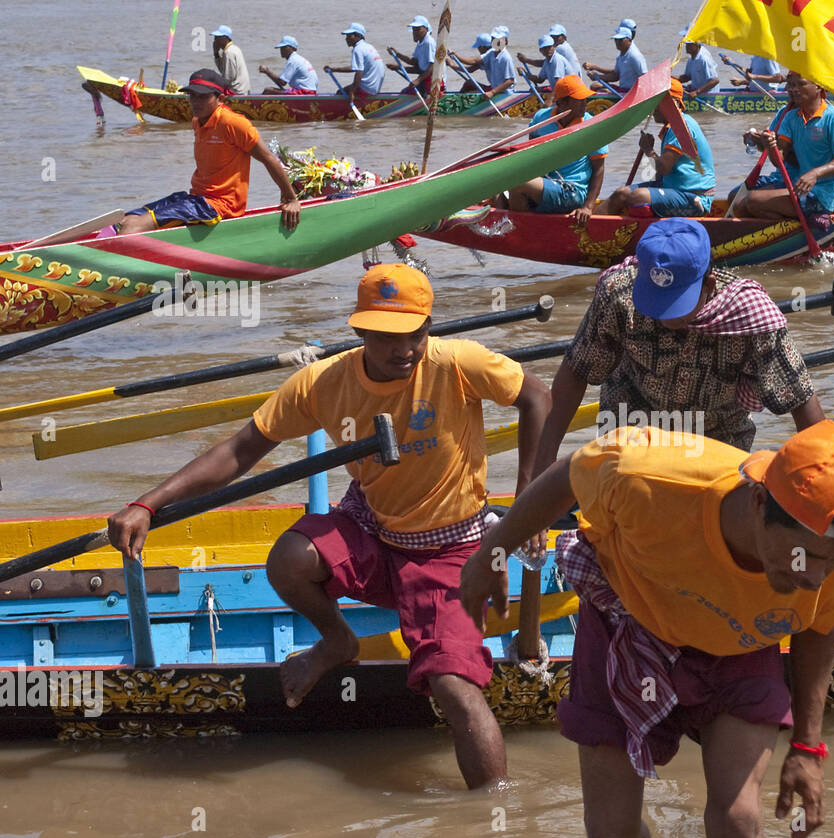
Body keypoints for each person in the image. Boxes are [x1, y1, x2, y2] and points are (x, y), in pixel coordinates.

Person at [107, 265, 550, 790]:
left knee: (455, 688)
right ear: (360, 330)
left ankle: (494, 818)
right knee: (289, 559)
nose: (404, 349)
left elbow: (537, 397)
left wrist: (525, 505)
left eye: (415, 333)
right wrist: (149, 504)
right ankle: (337, 640)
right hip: (375, 529)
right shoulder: (324, 383)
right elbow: (240, 450)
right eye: (387, 336)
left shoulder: (458, 362)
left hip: (452, 549)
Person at [460, 416, 834, 838]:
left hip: (739, 646)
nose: (815, 578)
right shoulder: (644, 478)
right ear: (760, 501)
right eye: (805, 556)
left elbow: (820, 630)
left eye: (832, 562)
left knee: (739, 826)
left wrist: (808, 748)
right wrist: (492, 551)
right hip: (628, 626)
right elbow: (570, 474)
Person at [534, 218, 827, 469]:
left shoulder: (750, 315)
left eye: (675, 304)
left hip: (715, 437)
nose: (663, 315)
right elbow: (576, 372)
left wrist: (823, 481)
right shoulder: (617, 292)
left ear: (708, 285)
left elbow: (799, 398)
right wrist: (537, 476)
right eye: (655, 301)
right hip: (632, 426)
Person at [113, 70, 300, 235]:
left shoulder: (234, 123)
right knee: (125, 219)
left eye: (203, 97)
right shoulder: (197, 121)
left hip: (220, 206)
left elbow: (268, 158)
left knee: (134, 226)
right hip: (197, 199)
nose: (195, 101)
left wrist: (291, 198)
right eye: (192, 95)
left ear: (220, 99)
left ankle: (118, 267)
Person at [730, 71, 834, 225]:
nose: (793, 89)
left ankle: (802, 225)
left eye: (800, 84)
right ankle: (781, 235)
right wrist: (770, 145)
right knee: (738, 204)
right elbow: (779, 160)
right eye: (791, 84)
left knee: (752, 200)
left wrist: (815, 174)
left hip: (820, 195)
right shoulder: (791, 117)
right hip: (797, 187)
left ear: (819, 87)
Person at [493, 75, 606, 222]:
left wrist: (588, 207)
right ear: (562, 103)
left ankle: (521, 228)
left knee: (518, 184)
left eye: (585, 98)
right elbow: (531, 154)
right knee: (497, 184)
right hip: (546, 183)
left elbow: (599, 169)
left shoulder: (592, 126)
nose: (585, 103)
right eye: (579, 100)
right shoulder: (541, 118)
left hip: (572, 191)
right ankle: (506, 229)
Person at [594, 80, 714, 217]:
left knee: (637, 196)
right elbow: (660, 175)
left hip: (694, 198)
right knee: (621, 194)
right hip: (674, 189)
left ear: (673, 103)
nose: (653, 108)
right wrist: (649, 151)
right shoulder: (671, 127)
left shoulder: (681, 126)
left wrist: (648, 150)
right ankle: (587, 230)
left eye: (658, 102)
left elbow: (663, 168)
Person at [327, 23, 385, 103]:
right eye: (346, 36)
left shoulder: (358, 49)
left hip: (367, 89)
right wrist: (334, 69)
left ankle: (342, 113)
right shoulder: (368, 47)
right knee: (348, 88)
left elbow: (359, 72)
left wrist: (352, 92)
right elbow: (355, 67)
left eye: (349, 36)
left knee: (340, 93)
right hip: (374, 88)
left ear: (358, 36)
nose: (346, 39)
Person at [584, 26, 647, 92]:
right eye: (616, 40)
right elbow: (616, 76)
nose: (617, 43)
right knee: (594, 86)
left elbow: (644, 77)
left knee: (603, 91)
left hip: (630, 92)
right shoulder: (621, 55)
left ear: (629, 40)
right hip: (623, 89)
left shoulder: (635, 56)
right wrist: (597, 76)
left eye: (621, 40)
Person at [386, 14, 436, 95]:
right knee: (404, 92)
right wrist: (397, 56)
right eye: (413, 29)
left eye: (418, 29)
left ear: (426, 29)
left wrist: (418, 80)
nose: (415, 33)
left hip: (433, 81)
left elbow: (434, 66)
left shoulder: (429, 42)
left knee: (405, 94)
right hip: (425, 78)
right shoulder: (420, 43)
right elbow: (413, 63)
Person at [211, 25, 250, 95]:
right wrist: (216, 53)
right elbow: (224, 70)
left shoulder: (229, 52)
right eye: (215, 38)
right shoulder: (233, 49)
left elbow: (228, 78)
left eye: (218, 38)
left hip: (237, 91)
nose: (215, 40)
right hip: (241, 89)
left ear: (225, 38)